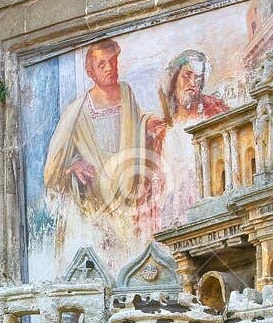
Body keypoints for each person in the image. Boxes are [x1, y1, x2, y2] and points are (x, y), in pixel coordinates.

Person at [41, 40, 150, 271]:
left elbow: (138, 128)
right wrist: (74, 166)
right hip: (93, 203)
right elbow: (54, 167)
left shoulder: (127, 94)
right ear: (91, 71)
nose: (110, 68)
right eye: (102, 64)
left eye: (113, 61)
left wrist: (151, 124)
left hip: (127, 196)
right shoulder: (77, 111)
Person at [144, 50, 228, 232]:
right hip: (170, 217)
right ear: (174, 80)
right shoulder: (160, 131)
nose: (192, 84)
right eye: (187, 76)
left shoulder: (213, 114)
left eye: (198, 79)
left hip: (207, 211)